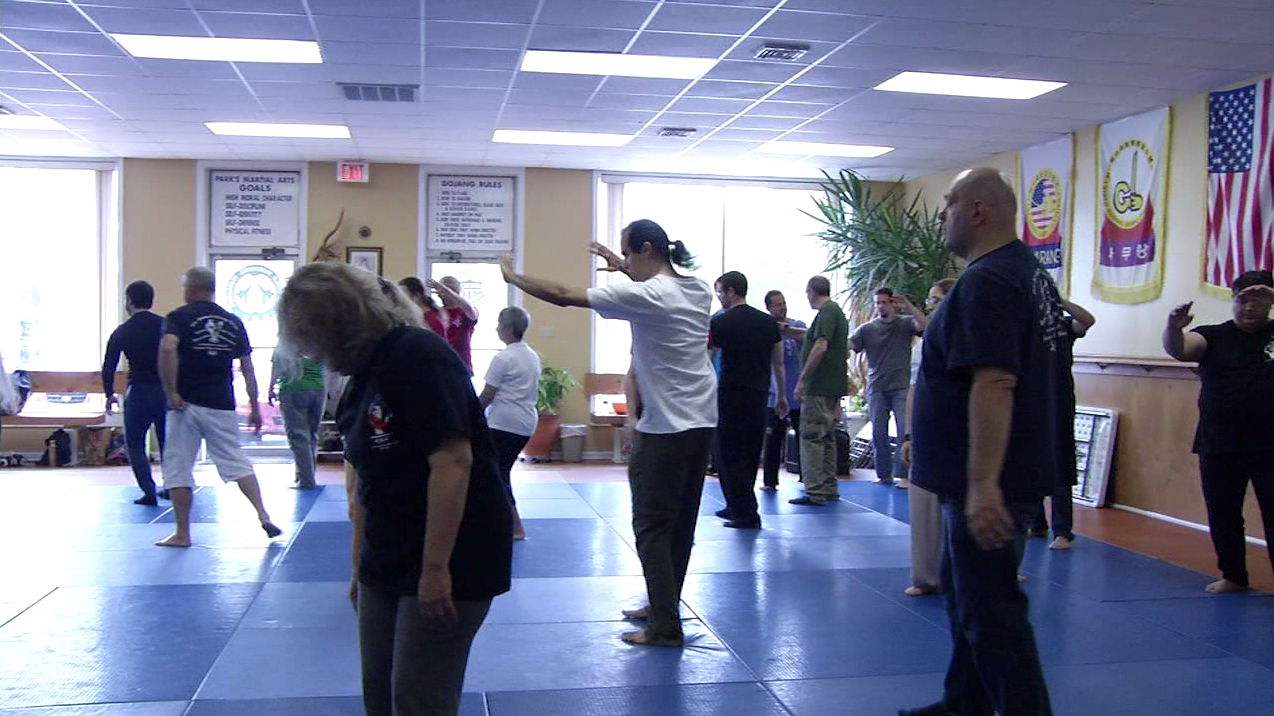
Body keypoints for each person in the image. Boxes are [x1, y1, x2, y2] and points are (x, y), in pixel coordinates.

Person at [277, 262, 513, 716]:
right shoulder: (361, 375)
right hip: (388, 548)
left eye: (315, 337)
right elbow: (366, 480)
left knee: (417, 696)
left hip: (456, 548)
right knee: (378, 691)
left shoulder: (418, 355)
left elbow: (453, 461)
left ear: (339, 326)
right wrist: (358, 568)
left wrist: (436, 569)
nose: (315, 352)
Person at [499, 218, 716, 648]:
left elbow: (562, 296)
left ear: (648, 249)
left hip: (666, 427)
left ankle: (664, 626)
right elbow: (650, 279)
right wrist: (619, 264)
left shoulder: (649, 296)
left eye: (629, 253)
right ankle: (663, 606)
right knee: (680, 525)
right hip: (704, 420)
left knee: (651, 526)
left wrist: (512, 277)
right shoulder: (698, 288)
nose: (625, 261)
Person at [901, 168, 1065, 716]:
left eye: (949, 204)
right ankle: (962, 704)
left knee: (992, 612)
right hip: (991, 471)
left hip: (992, 478)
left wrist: (983, 485)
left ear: (977, 211)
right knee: (968, 593)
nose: (942, 214)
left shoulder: (989, 281)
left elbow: (995, 380)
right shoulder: (1026, 272)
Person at [1162, 269, 1274, 594]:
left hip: (1270, 446)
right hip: (1220, 443)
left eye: (1259, 299)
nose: (1249, 307)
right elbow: (1180, 349)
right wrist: (1172, 327)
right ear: (1232, 300)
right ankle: (1234, 575)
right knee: (1223, 514)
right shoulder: (1213, 335)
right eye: (1243, 300)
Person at [156, 268, 280, 547]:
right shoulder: (233, 321)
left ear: (188, 290)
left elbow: (167, 348)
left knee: (178, 466)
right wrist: (254, 406)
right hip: (221, 403)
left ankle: (182, 533)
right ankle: (263, 513)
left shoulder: (178, 317)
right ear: (212, 289)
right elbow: (247, 367)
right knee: (235, 460)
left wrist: (171, 390)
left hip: (185, 403)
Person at [709, 271, 786, 529]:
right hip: (759, 396)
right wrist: (782, 395)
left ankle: (746, 512)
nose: (719, 297)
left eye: (720, 291)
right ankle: (736, 505)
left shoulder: (722, 322)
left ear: (731, 291)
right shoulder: (768, 323)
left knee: (728, 454)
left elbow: (706, 359)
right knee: (751, 453)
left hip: (730, 395)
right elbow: (779, 363)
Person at [899, 277, 955, 597]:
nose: (930, 306)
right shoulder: (923, 343)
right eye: (929, 300)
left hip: (954, 427)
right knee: (923, 500)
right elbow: (911, 390)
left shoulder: (965, 336)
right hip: (925, 426)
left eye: (935, 300)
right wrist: (908, 434)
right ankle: (926, 576)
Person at [1026, 298, 1096, 550]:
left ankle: (1062, 529)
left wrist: (1059, 300)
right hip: (1028, 402)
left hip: (1058, 401)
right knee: (1029, 462)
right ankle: (1035, 522)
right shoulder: (1024, 328)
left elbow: (1087, 320)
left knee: (1060, 463)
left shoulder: (1063, 326)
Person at [850, 287, 927, 487]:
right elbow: (849, 345)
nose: (881, 306)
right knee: (879, 433)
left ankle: (903, 475)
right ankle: (883, 475)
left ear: (893, 304)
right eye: (878, 303)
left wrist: (908, 306)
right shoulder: (867, 329)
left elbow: (926, 326)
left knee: (904, 430)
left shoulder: (905, 323)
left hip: (900, 385)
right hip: (877, 387)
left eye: (885, 302)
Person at [102, 280, 168, 505]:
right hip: (164, 390)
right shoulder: (165, 326)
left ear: (129, 301)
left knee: (135, 443)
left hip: (138, 390)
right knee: (168, 441)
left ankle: (149, 491)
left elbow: (109, 365)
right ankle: (171, 486)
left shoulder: (123, 331)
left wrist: (109, 393)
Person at [479, 306, 541, 541]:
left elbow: (487, 395)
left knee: (496, 474)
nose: (496, 329)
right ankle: (500, 522)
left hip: (504, 424)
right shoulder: (531, 355)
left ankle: (514, 526)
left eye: (499, 324)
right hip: (525, 422)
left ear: (507, 328)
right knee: (496, 472)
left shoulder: (503, 358)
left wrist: (467, 414)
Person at [790, 275, 849, 506]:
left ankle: (815, 490)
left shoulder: (827, 313)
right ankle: (828, 486)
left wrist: (803, 379)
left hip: (819, 385)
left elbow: (820, 345)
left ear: (811, 291)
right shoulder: (835, 313)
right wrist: (789, 331)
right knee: (827, 436)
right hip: (832, 385)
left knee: (812, 436)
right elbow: (813, 338)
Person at [761, 290, 806, 490]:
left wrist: (789, 331)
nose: (782, 307)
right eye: (778, 304)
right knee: (773, 439)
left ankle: (808, 478)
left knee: (803, 437)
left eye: (784, 303)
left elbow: (809, 339)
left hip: (797, 393)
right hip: (774, 395)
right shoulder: (766, 329)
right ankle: (770, 481)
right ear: (769, 308)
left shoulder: (798, 326)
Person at [268, 350, 327, 490]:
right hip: (319, 388)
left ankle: (306, 480)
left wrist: (270, 387)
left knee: (298, 436)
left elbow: (277, 366)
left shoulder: (286, 340)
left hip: (293, 388)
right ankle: (305, 475)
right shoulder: (318, 339)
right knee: (311, 435)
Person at [429, 276, 479, 373]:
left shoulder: (466, 312)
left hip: (461, 366)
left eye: (443, 292)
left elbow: (469, 309)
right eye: (439, 292)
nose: (440, 295)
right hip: (440, 365)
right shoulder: (437, 312)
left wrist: (446, 290)